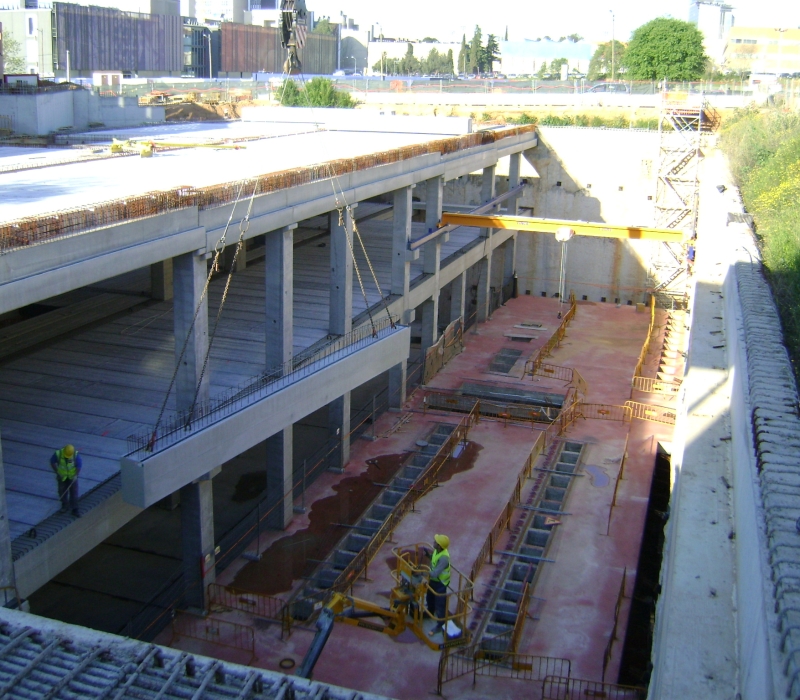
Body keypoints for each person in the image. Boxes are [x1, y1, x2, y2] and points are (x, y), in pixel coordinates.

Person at [427, 534, 451, 637]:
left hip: (440, 583)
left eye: (436, 542)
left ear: (440, 546)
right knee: (429, 598)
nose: (434, 542)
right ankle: (430, 612)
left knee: (440, 605)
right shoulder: (437, 551)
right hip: (433, 581)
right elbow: (434, 561)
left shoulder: (444, 558)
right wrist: (428, 555)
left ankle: (440, 624)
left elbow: (435, 573)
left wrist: (423, 572)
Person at [50, 444, 82, 517]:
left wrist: (76, 475)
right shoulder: (58, 454)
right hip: (62, 477)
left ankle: (75, 509)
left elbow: (79, 466)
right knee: (62, 491)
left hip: (72, 476)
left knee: (74, 492)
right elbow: (52, 462)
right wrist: (57, 472)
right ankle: (65, 505)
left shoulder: (75, 456)